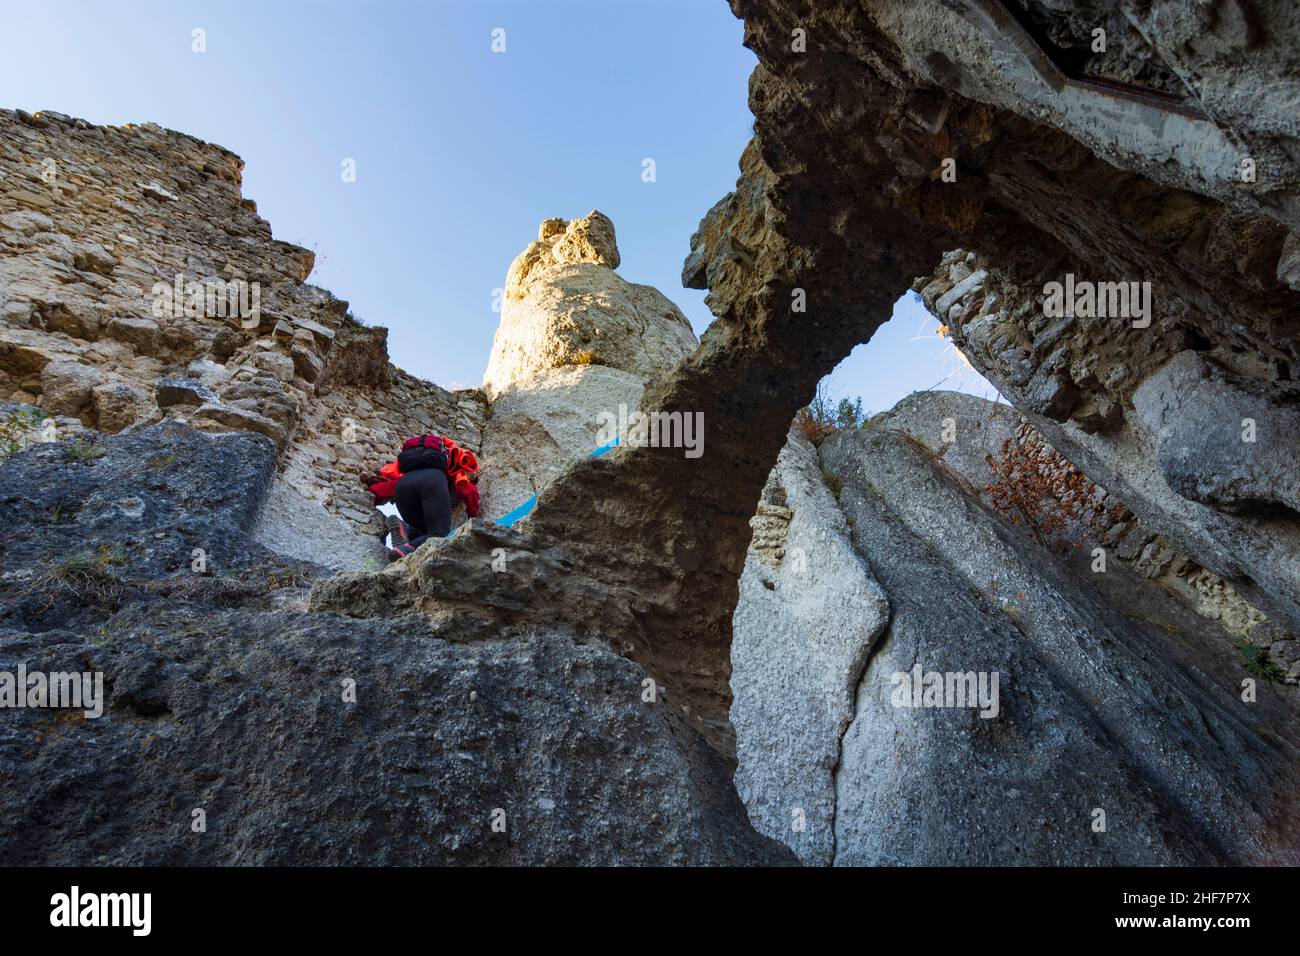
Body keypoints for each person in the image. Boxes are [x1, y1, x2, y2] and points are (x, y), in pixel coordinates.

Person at [362, 434, 480, 559]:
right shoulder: (452, 475)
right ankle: (407, 549)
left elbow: (382, 490)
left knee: (423, 533)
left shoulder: (404, 476)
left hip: (403, 487)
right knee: (439, 534)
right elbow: (469, 492)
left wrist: (371, 491)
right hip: (433, 481)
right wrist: (474, 517)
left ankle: (406, 528)